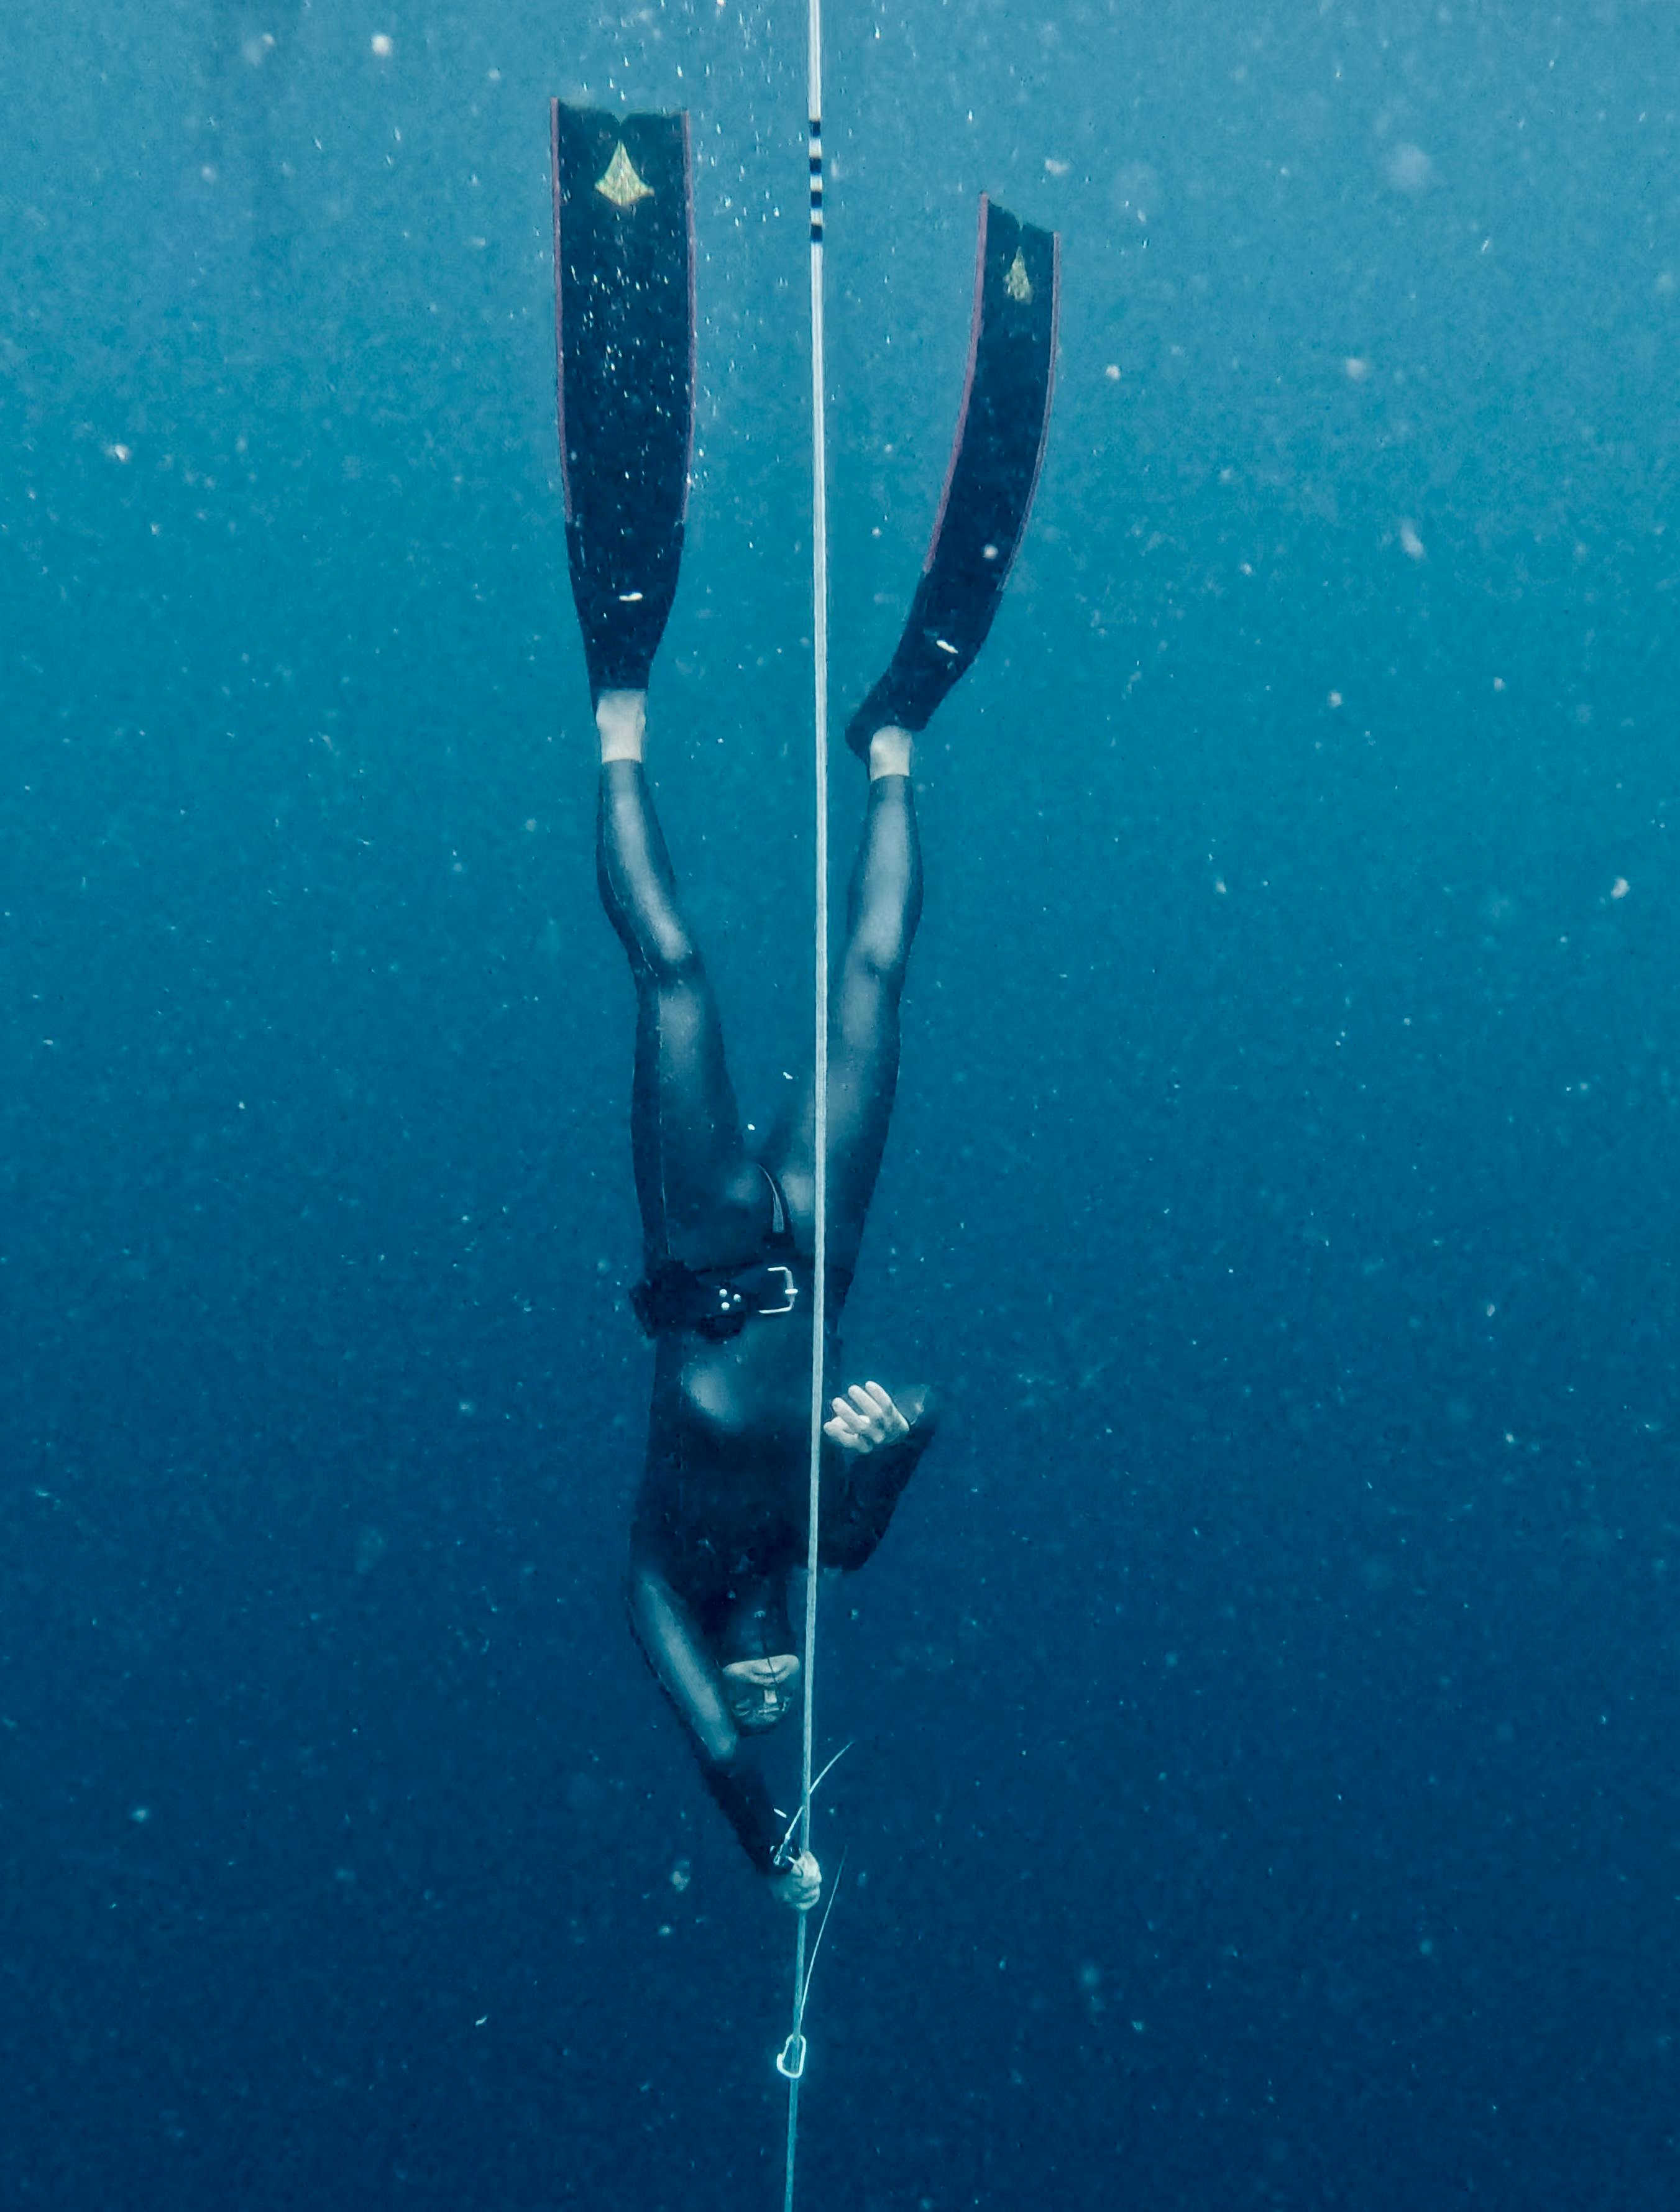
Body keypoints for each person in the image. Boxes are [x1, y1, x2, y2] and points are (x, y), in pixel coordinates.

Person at [550, 100, 1058, 1909]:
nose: (763, 1661)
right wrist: (899, 1427)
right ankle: (903, 746)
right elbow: (911, 1415)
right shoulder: (831, 1557)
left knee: (674, 966)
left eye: (752, 1661)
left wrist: (767, 1834)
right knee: (875, 977)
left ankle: (617, 703)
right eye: (777, 1678)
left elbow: (694, 1713)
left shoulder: (656, 1571)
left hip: (700, 1250)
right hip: (820, 1247)